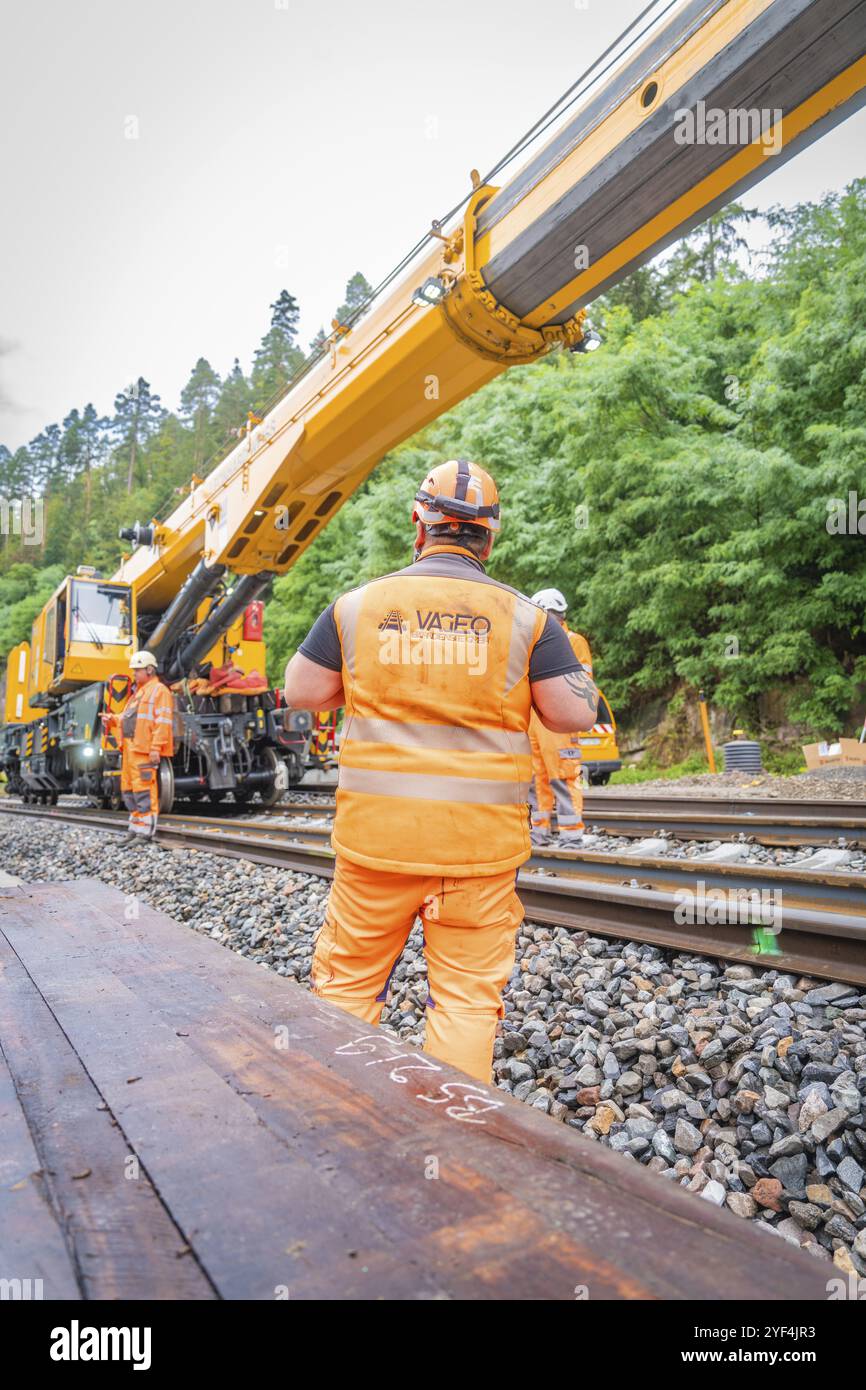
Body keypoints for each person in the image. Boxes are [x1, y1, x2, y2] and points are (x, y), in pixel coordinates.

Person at [283, 459, 599, 1083]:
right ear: (490, 536)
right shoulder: (529, 620)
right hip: (476, 855)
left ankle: (335, 1124)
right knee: (464, 1000)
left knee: (346, 986)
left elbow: (301, 691)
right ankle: (454, 1147)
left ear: (418, 525)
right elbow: (571, 715)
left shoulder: (356, 607)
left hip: (378, 846)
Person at [527, 588, 593, 849]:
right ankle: (538, 832)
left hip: (561, 721)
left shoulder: (573, 640)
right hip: (535, 720)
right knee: (535, 778)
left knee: (563, 776)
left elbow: (583, 682)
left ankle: (571, 834)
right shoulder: (534, 641)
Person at [113, 650, 175, 841]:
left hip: (144, 749)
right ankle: (135, 828)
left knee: (144, 790)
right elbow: (128, 718)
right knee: (129, 790)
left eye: (137, 670)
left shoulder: (160, 691)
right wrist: (113, 719)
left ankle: (146, 831)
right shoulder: (138, 693)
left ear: (149, 669)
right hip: (131, 748)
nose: (133, 674)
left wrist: (156, 748)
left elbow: (162, 722)